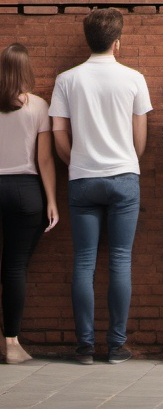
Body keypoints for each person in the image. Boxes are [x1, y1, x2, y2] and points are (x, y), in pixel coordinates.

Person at [50, 8, 152, 365]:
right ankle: (116, 346)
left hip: (82, 178)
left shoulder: (66, 79)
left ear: (88, 40)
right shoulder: (134, 78)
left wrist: (77, 161)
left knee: (84, 262)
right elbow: (140, 139)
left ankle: (85, 346)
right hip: (124, 176)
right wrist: (125, 159)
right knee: (120, 260)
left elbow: (59, 136)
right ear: (117, 43)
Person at [0, 44, 58, 364]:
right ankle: (11, 344)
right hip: (25, 191)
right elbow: (45, 159)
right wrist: (52, 200)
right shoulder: (38, 106)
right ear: (26, 70)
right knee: (14, 268)